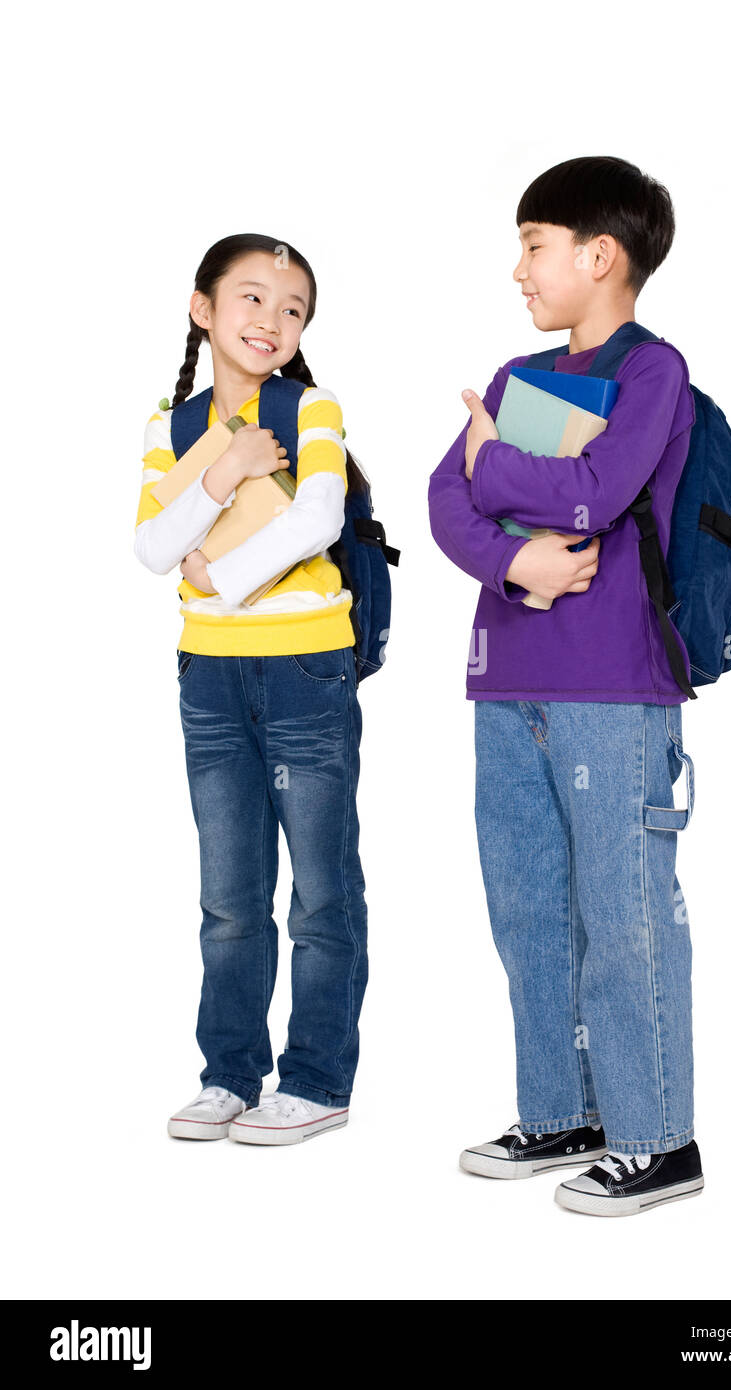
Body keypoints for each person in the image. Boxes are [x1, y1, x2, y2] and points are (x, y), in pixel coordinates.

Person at [428, 156, 704, 1216]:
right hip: (509, 679)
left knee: (623, 911)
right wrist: (515, 561)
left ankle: (654, 1137)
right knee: (528, 908)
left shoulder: (651, 373)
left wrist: (499, 472)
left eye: (533, 245)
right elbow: (443, 501)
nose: (517, 269)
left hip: (611, 683)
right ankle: (560, 1111)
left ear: (600, 256)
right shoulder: (512, 380)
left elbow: (595, 494)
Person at [135, 233, 368, 1147]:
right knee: (229, 894)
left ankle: (315, 1080)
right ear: (204, 309)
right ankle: (229, 1074)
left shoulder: (313, 406)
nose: (272, 321)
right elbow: (151, 548)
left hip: (308, 663)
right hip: (211, 676)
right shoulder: (174, 427)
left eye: (293, 308)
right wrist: (225, 473)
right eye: (253, 298)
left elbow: (322, 513)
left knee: (319, 888)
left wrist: (215, 578)